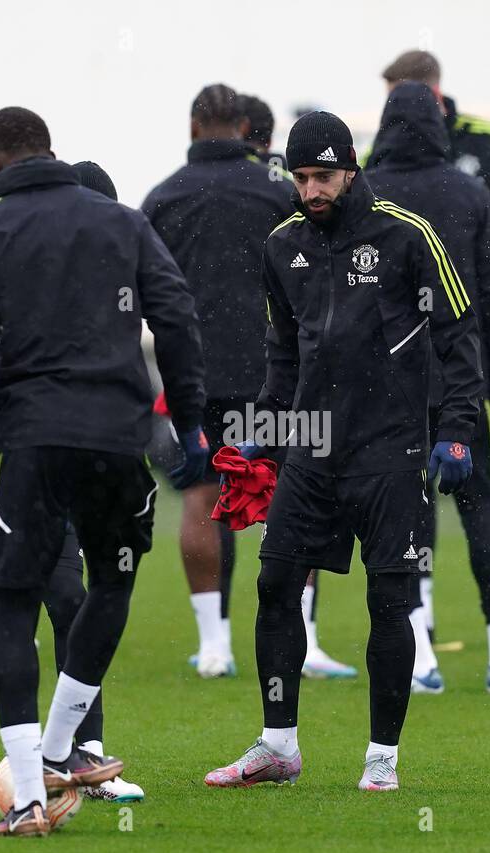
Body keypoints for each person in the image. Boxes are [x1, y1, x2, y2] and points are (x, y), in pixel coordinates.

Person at [0, 107, 205, 835]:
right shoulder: (120, 221)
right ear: (48, 150)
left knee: (15, 604)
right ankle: (62, 748)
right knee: (112, 582)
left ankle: (30, 793)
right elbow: (176, 315)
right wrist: (190, 420)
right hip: (118, 440)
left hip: (32, 444)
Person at [204, 110, 482, 793]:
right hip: (310, 448)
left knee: (390, 599)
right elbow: (282, 351)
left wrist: (457, 429)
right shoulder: (282, 245)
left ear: (350, 169)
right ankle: (278, 746)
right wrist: (261, 432)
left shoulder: (407, 235)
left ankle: (381, 756)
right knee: (274, 584)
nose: (311, 190)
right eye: (300, 178)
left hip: (390, 449)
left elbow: (459, 334)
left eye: (323, 176)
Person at [142, 85, 350, 679]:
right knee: (293, 496)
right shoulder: (280, 191)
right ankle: (304, 638)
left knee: (203, 498)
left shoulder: (163, 197)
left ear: (192, 124)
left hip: (194, 373)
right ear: (242, 126)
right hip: (277, 372)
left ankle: (214, 644)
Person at [366, 81, 490, 695]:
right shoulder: (469, 191)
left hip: (390, 384)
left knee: (406, 519)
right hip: (462, 379)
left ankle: (419, 653)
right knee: (482, 510)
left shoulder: (366, 195)